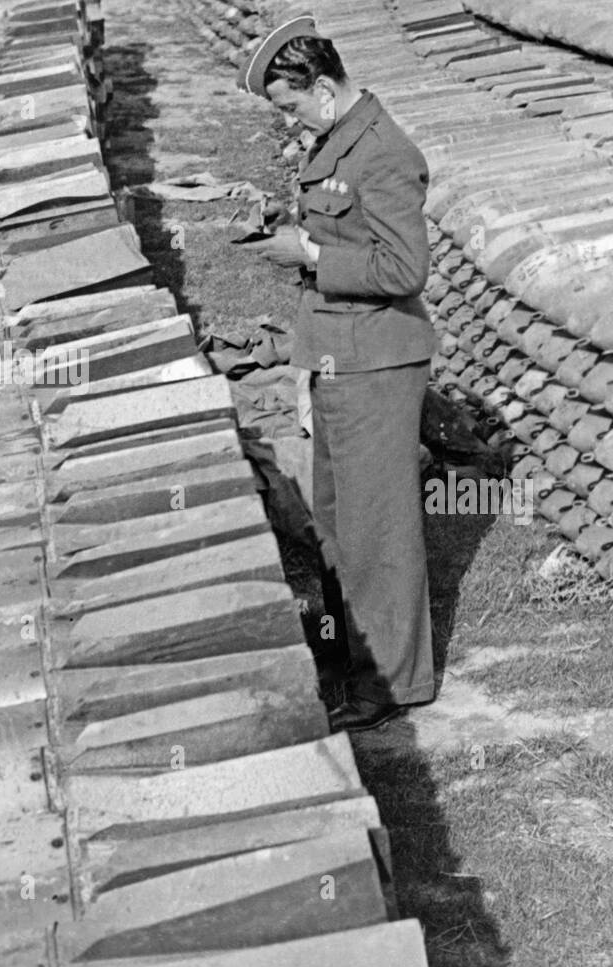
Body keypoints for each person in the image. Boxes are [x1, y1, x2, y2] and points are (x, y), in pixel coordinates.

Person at [237, 15, 437, 732]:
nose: (291, 122)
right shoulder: (335, 142)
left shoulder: (384, 153)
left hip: (379, 361)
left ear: (323, 88)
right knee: (336, 523)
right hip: (337, 358)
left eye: (292, 106)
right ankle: (348, 661)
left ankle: (393, 682)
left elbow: (405, 268)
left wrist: (314, 257)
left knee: (377, 531)